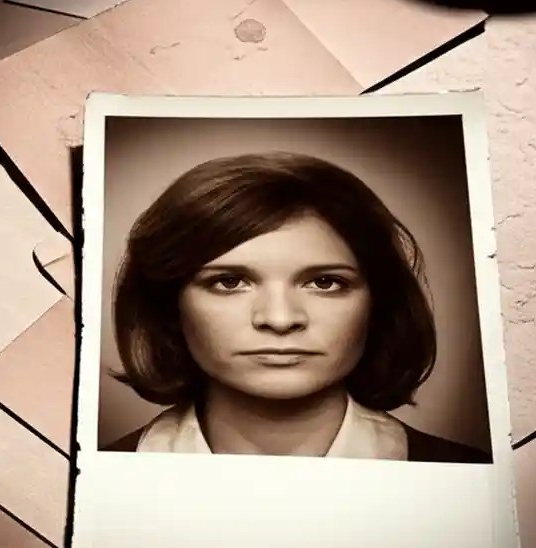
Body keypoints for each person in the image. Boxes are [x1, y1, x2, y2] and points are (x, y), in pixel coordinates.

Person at [101, 151, 490, 463]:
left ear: (378, 303)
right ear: (169, 305)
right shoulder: (87, 483)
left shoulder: (472, 480)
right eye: (230, 282)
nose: (280, 319)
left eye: (325, 282)